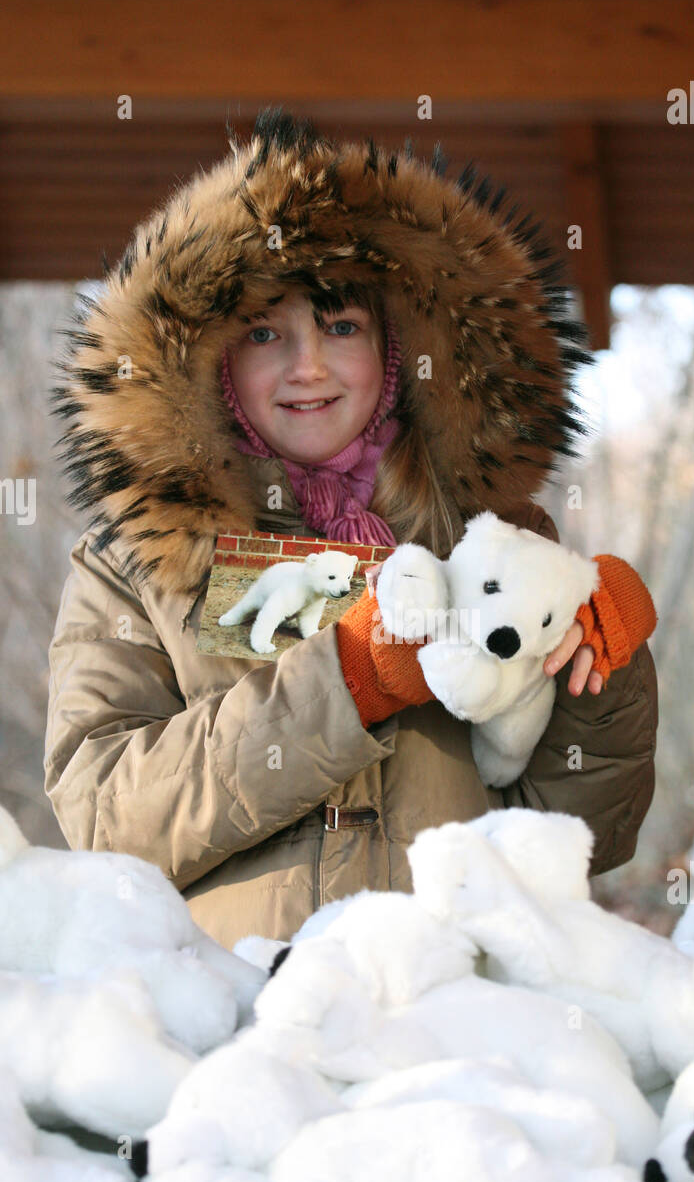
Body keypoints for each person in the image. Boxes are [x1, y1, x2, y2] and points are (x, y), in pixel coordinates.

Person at [44, 107, 659, 950]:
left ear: (399, 348)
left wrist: (607, 677)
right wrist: (345, 684)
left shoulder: (494, 544)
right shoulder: (134, 562)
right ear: (215, 360)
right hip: (235, 1019)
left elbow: (575, 842)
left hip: (450, 1017)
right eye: (265, 332)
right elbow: (106, 817)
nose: (308, 367)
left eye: (342, 326)